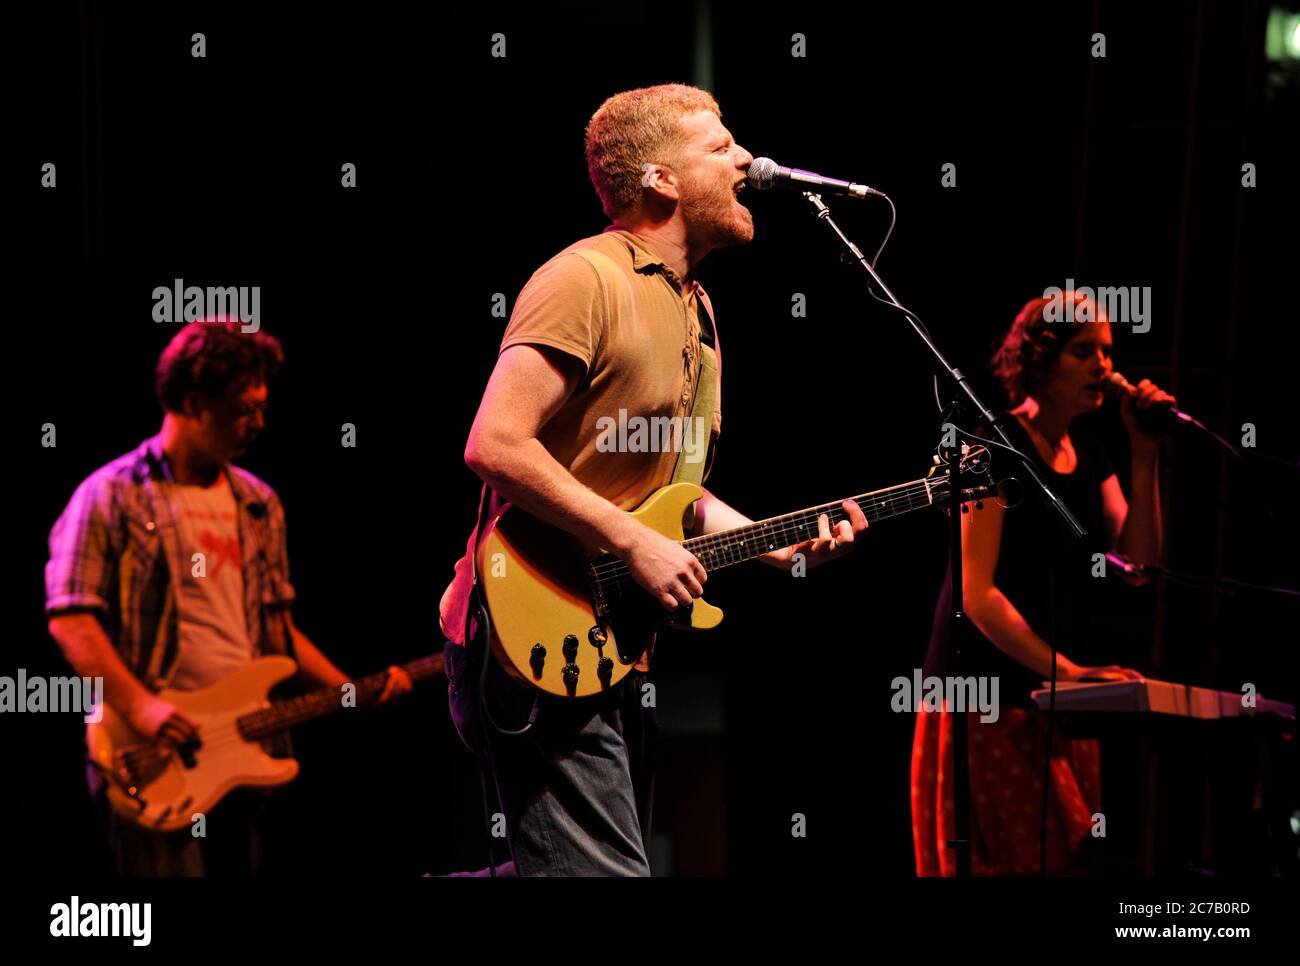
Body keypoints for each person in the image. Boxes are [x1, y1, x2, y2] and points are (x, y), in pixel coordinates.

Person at [438, 83, 869, 876]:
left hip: (614, 644)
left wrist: (783, 549)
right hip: (526, 629)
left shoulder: (698, 314)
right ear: (660, 180)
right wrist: (632, 539)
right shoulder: (584, 280)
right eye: (721, 146)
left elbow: (678, 501)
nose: (747, 161)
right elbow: (494, 444)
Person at [46, 318, 412, 875]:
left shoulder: (258, 503)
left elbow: (279, 634)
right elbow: (71, 619)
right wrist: (143, 709)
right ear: (194, 401)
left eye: (263, 407)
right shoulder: (110, 495)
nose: (260, 423)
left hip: (247, 747)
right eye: (244, 408)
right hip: (153, 754)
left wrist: (345, 691)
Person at [912, 290, 1176, 875]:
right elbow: (976, 594)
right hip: (987, 697)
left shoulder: (1092, 452)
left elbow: (1137, 568)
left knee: (1069, 857)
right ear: (1041, 358)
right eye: (1085, 352)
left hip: (1054, 695)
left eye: (1107, 353)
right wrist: (1071, 673)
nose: (1104, 367)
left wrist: (1144, 451)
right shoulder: (995, 444)